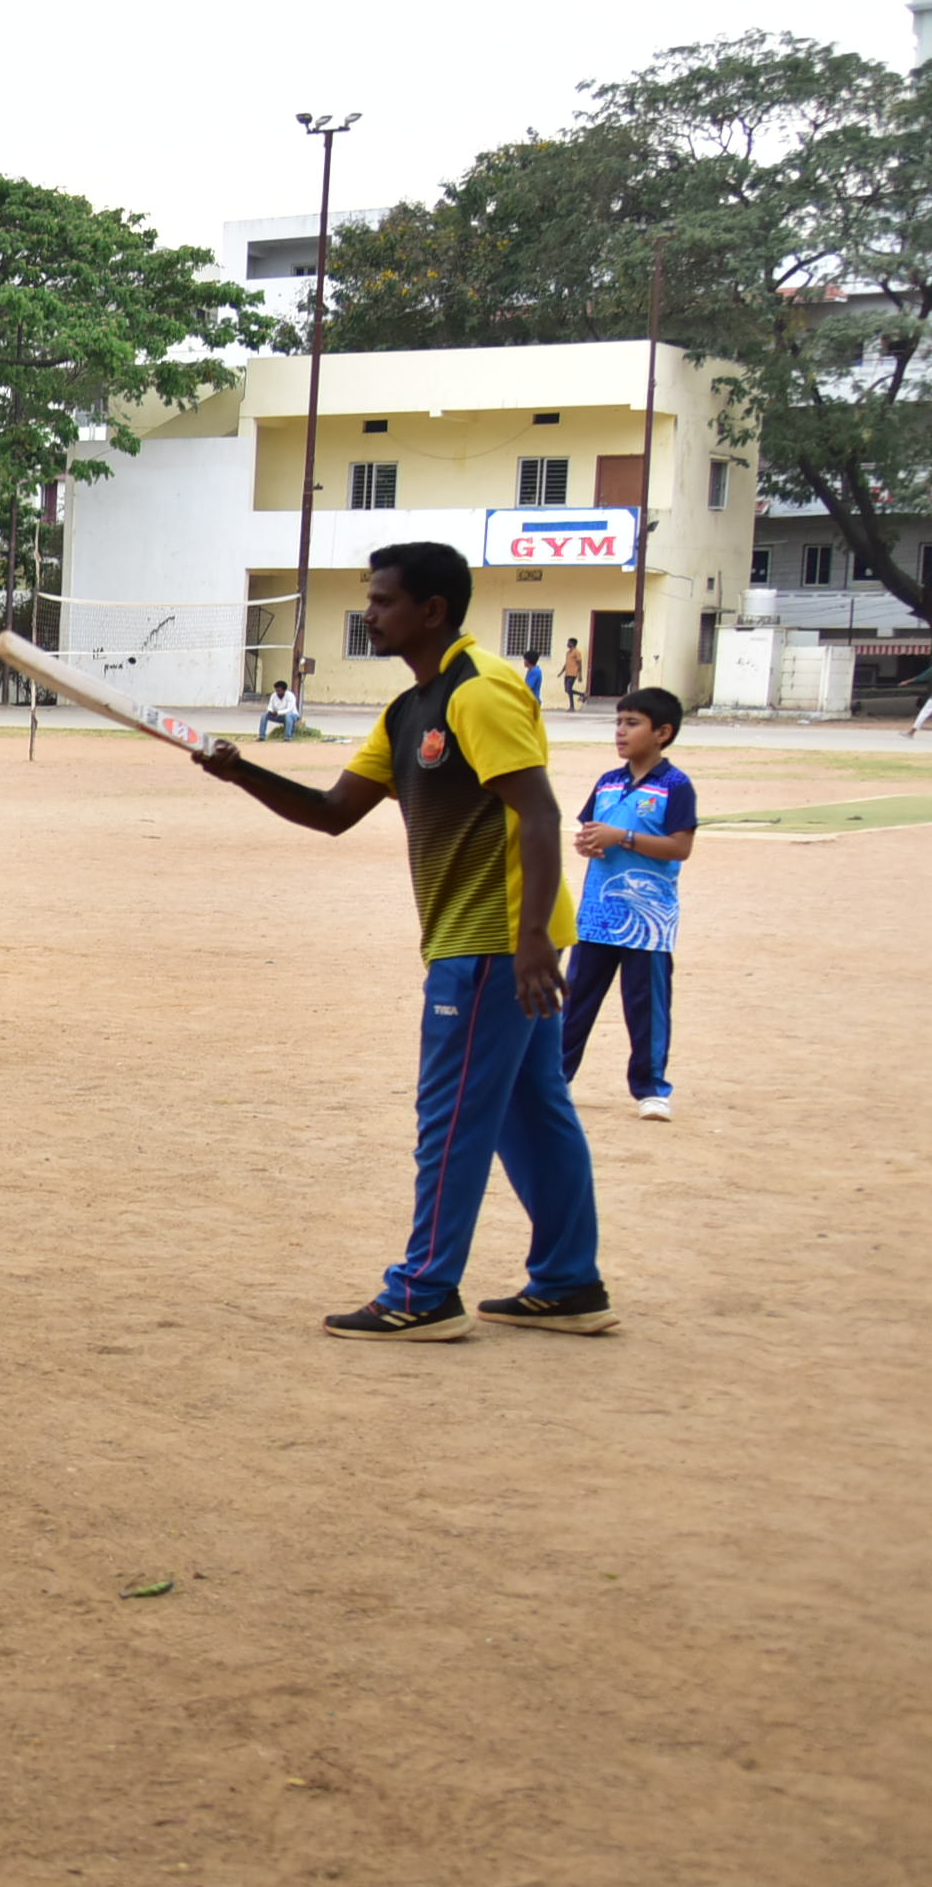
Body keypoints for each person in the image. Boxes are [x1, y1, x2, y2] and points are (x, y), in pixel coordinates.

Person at [194, 539, 606, 1341]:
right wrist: (242, 771)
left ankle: (424, 1291)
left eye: (382, 602)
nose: (370, 613)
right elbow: (332, 811)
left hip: (491, 944)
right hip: (477, 940)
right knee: (533, 1113)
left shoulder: (478, 692)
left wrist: (529, 943)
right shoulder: (409, 709)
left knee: (449, 1118)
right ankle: (568, 1282)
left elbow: (543, 812)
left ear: (432, 611)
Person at [564, 685, 696, 1123]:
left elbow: (680, 848)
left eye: (632, 723)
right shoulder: (608, 781)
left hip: (648, 922)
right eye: (618, 721)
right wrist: (590, 844)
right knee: (575, 1002)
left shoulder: (676, 786)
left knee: (647, 1007)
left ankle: (651, 1088)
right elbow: (590, 831)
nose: (620, 731)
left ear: (662, 732)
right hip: (596, 917)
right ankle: (553, 1080)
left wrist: (623, 838)